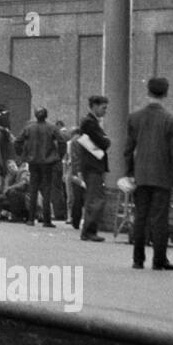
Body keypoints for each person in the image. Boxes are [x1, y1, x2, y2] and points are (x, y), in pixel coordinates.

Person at [125, 76, 173, 270]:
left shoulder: (134, 118)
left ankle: (137, 259)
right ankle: (159, 260)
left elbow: (128, 149)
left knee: (140, 216)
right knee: (160, 219)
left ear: (147, 91)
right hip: (162, 176)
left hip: (141, 175)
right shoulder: (172, 121)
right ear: (166, 93)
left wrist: (129, 172)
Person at [14, 107, 64, 227]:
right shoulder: (52, 127)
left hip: (33, 162)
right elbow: (62, 142)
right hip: (48, 162)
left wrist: (22, 154)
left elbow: (17, 141)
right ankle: (46, 220)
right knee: (46, 190)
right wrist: (59, 156)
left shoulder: (29, 128)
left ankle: (31, 219)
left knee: (33, 189)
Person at [72, 95, 111, 241]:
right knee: (95, 198)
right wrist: (105, 142)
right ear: (95, 106)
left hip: (91, 165)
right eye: (103, 107)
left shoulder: (89, 122)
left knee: (93, 197)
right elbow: (103, 142)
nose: (105, 111)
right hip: (93, 166)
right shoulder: (90, 123)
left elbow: (90, 143)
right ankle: (89, 230)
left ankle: (89, 230)